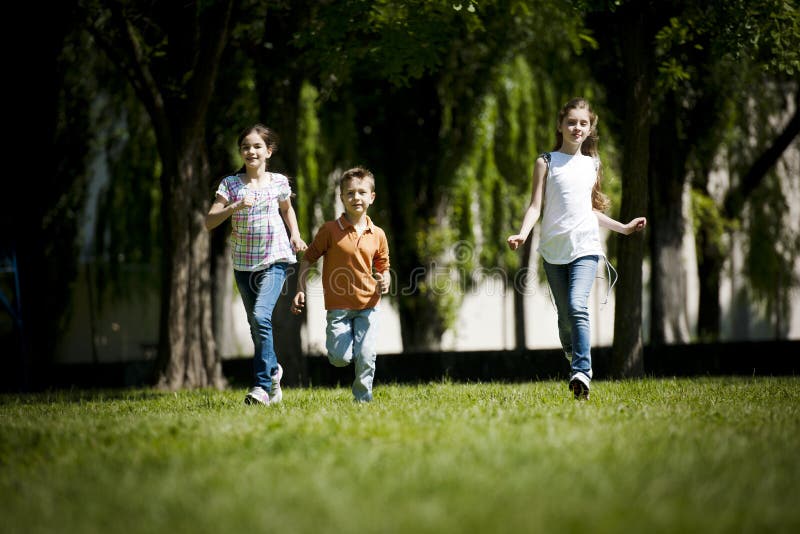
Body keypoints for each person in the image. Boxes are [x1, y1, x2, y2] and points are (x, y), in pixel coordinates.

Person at [507, 98, 647, 400]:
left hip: (585, 247)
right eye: (571, 122)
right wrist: (522, 234)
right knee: (565, 316)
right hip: (554, 250)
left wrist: (623, 228)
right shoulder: (546, 162)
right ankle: (573, 352)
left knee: (577, 306)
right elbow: (535, 206)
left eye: (583, 123)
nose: (577, 128)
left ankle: (581, 371)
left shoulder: (592, 164)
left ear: (590, 128)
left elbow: (590, 210)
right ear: (560, 126)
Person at [206, 124, 307, 406]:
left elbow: (287, 209)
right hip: (243, 264)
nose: (251, 151)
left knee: (262, 317)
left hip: (275, 259)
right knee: (255, 324)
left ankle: (261, 386)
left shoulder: (278, 182)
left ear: (268, 151)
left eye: (257, 146)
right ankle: (274, 373)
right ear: (241, 152)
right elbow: (209, 221)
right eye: (246, 147)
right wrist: (234, 207)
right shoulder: (230, 184)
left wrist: (296, 235)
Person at [291, 167, 391, 402]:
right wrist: (300, 289)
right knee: (339, 358)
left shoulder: (378, 234)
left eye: (362, 192)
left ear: (371, 197)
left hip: (369, 304)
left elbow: (383, 266)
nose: (356, 197)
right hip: (338, 308)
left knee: (367, 355)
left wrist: (384, 279)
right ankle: (354, 349)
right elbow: (308, 258)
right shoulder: (329, 230)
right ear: (342, 198)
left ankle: (362, 400)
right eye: (350, 193)